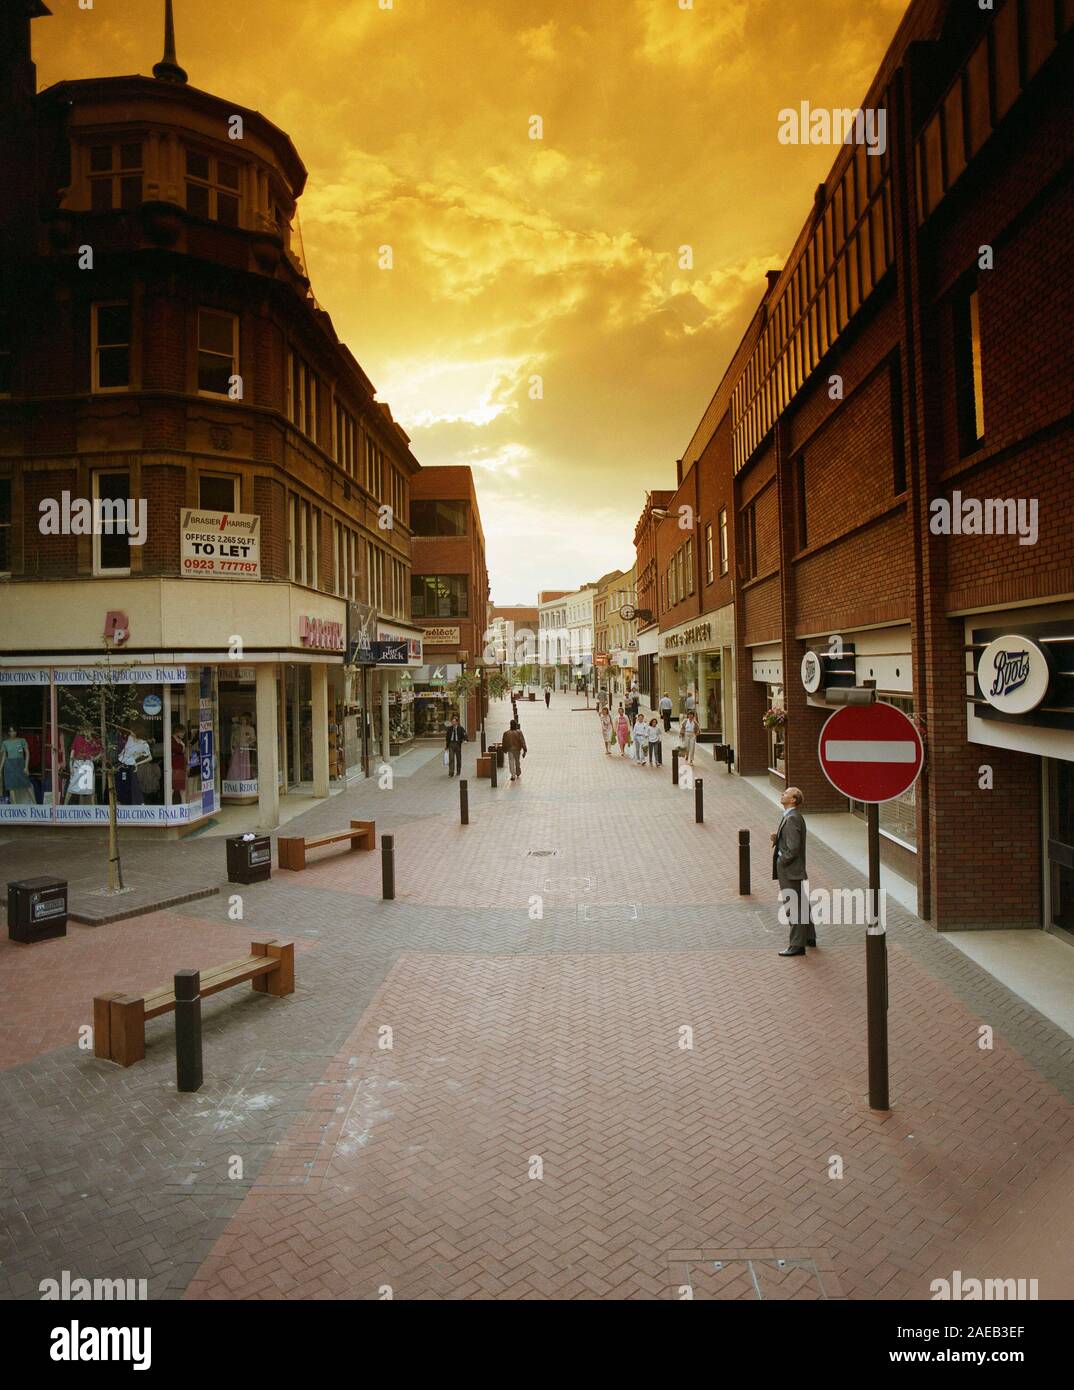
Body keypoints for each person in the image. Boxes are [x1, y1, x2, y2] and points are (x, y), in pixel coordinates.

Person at [771, 786, 816, 956]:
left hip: (789, 869)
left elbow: (794, 848)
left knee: (793, 905)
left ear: (793, 800)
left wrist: (782, 861)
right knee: (801, 902)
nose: (782, 794)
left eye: (786, 793)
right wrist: (778, 838)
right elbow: (791, 840)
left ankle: (797, 945)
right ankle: (809, 937)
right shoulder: (791, 816)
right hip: (792, 868)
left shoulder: (792, 818)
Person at [1, 725, 34, 805]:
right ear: (8, 732)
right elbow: (4, 756)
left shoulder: (22, 740)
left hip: (20, 763)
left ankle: (35, 803)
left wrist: (26, 767)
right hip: (9, 765)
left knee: (27, 784)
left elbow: (27, 753)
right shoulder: (5, 742)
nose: (13, 733)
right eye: (11, 731)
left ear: (17, 731)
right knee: (11, 786)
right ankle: (15, 806)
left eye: (14, 731)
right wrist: (0, 768)